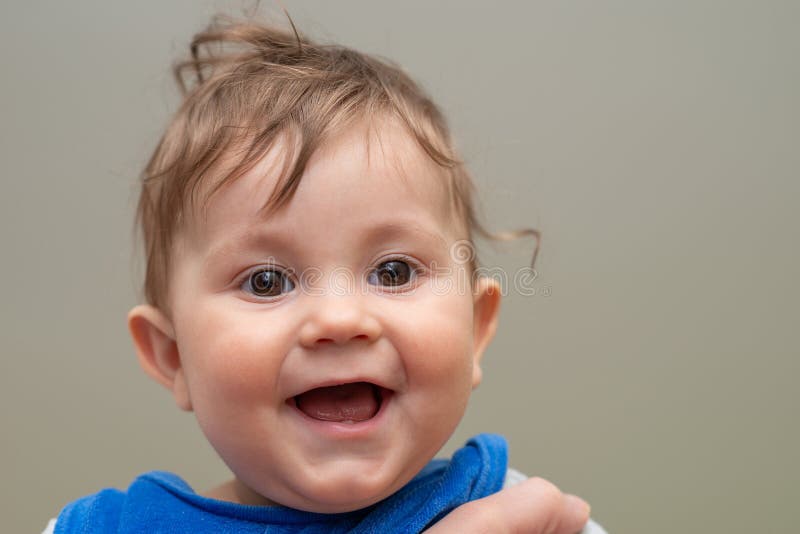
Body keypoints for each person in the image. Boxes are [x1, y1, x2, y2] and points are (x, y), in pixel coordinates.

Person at [45, 14, 607, 534]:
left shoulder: (518, 517)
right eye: (267, 281)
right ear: (173, 356)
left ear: (474, 330)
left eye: (392, 271)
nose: (340, 319)